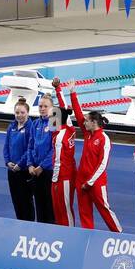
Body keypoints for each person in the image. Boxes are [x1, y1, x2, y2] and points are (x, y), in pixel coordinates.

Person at [76, 107, 121, 231]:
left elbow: (103, 163)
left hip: (96, 183)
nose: (83, 123)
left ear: (94, 122)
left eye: (86, 121)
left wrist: (90, 182)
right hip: (81, 180)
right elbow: (78, 114)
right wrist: (72, 93)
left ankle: (119, 233)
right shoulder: (87, 134)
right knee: (84, 211)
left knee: (104, 209)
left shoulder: (103, 138)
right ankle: (87, 235)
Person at [48, 78, 82, 226]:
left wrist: (55, 179)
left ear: (57, 119)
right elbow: (63, 108)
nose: (49, 118)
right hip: (63, 174)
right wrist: (58, 89)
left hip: (64, 175)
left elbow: (57, 162)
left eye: (51, 116)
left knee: (65, 208)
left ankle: (70, 234)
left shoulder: (62, 134)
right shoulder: (67, 127)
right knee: (59, 208)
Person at [25, 93, 57, 223]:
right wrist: (30, 164)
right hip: (35, 170)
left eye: (45, 106)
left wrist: (42, 166)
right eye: (40, 106)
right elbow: (30, 146)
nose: (42, 108)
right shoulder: (35, 123)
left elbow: (54, 148)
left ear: (52, 107)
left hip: (48, 171)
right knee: (38, 203)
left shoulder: (55, 122)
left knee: (49, 205)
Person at [4, 97, 35, 220]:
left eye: (22, 113)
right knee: (16, 200)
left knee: (26, 200)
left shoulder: (31, 127)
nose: (19, 115)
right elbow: (6, 146)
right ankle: (20, 223)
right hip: (12, 170)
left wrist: (20, 164)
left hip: (24, 170)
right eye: (17, 113)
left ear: (28, 113)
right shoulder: (11, 126)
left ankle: (29, 225)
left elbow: (30, 149)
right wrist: (7, 162)